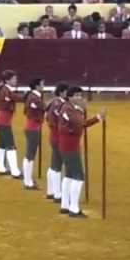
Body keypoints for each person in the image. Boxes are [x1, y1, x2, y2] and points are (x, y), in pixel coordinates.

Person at [58, 87, 104, 217]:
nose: (80, 98)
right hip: (70, 146)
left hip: (67, 144)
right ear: (70, 97)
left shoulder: (68, 108)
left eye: (80, 95)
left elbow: (80, 124)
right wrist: (82, 109)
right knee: (78, 176)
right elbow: (79, 123)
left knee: (69, 175)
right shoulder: (70, 109)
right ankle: (74, 208)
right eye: (77, 96)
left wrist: (97, 118)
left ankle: (65, 205)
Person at [0, 70, 23, 179]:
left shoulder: (2, 89)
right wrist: (28, 96)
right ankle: (15, 171)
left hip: (1, 119)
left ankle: (1, 168)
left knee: (1, 144)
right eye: (13, 79)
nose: (16, 80)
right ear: (7, 80)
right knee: (11, 145)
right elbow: (16, 98)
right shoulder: (5, 91)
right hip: (4, 121)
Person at [44, 83, 69, 202]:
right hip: (58, 136)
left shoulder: (53, 103)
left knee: (54, 164)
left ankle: (51, 191)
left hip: (54, 135)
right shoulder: (59, 104)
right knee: (57, 166)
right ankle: (57, 194)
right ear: (62, 92)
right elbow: (56, 121)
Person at [21, 78, 45, 190]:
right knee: (30, 155)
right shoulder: (34, 97)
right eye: (42, 84)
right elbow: (43, 108)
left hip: (32, 126)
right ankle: (27, 181)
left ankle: (28, 179)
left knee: (30, 154)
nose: (43, 86)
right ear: (37, 86)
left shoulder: (33, 96)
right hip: (32, 127)